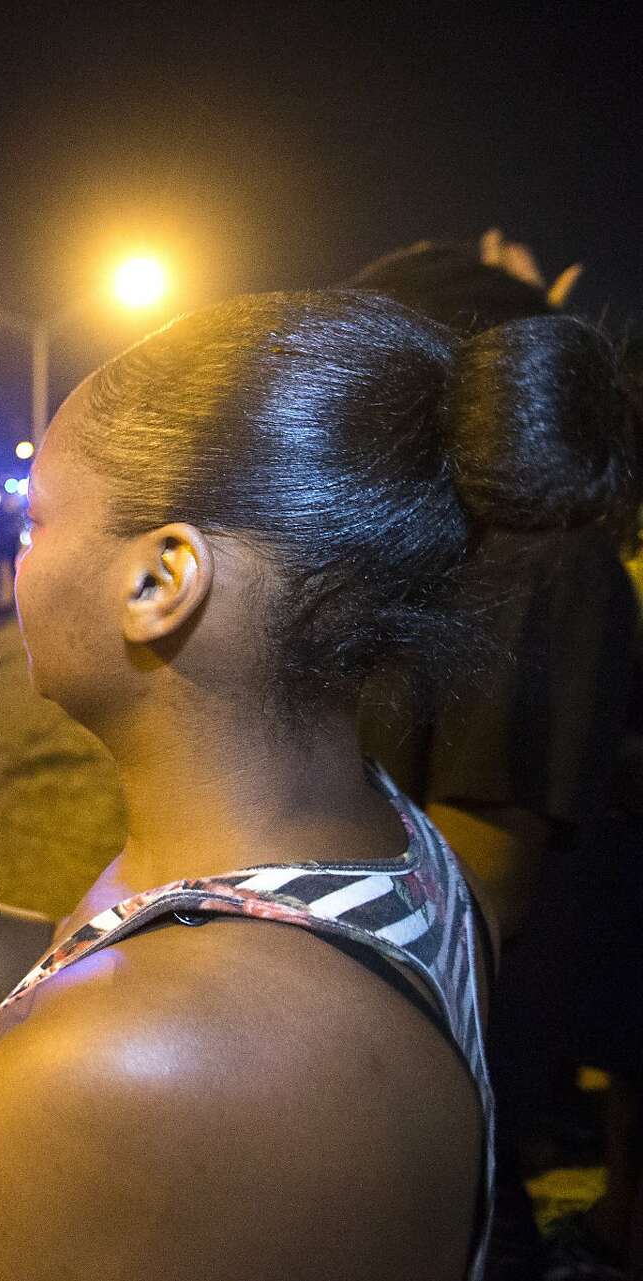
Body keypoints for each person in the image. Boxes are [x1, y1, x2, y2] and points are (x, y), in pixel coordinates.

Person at [0, 289, 639, 1280]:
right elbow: (95, 966)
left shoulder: (140, 1063)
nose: (17, 559)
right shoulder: (385, 848)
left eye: (37, 523)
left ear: (158, 581)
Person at [349, 234, 643, 1280]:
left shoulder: (539, 556)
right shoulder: (449, 541)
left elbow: (486, 880)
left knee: (466, 1224)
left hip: (454, 1015)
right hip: (414, 1009)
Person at [0, 485, 25, 610]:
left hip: (8, 545)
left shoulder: (11, 511)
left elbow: (17, 527)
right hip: (0, 545)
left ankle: (16, 597)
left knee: (13, 573)